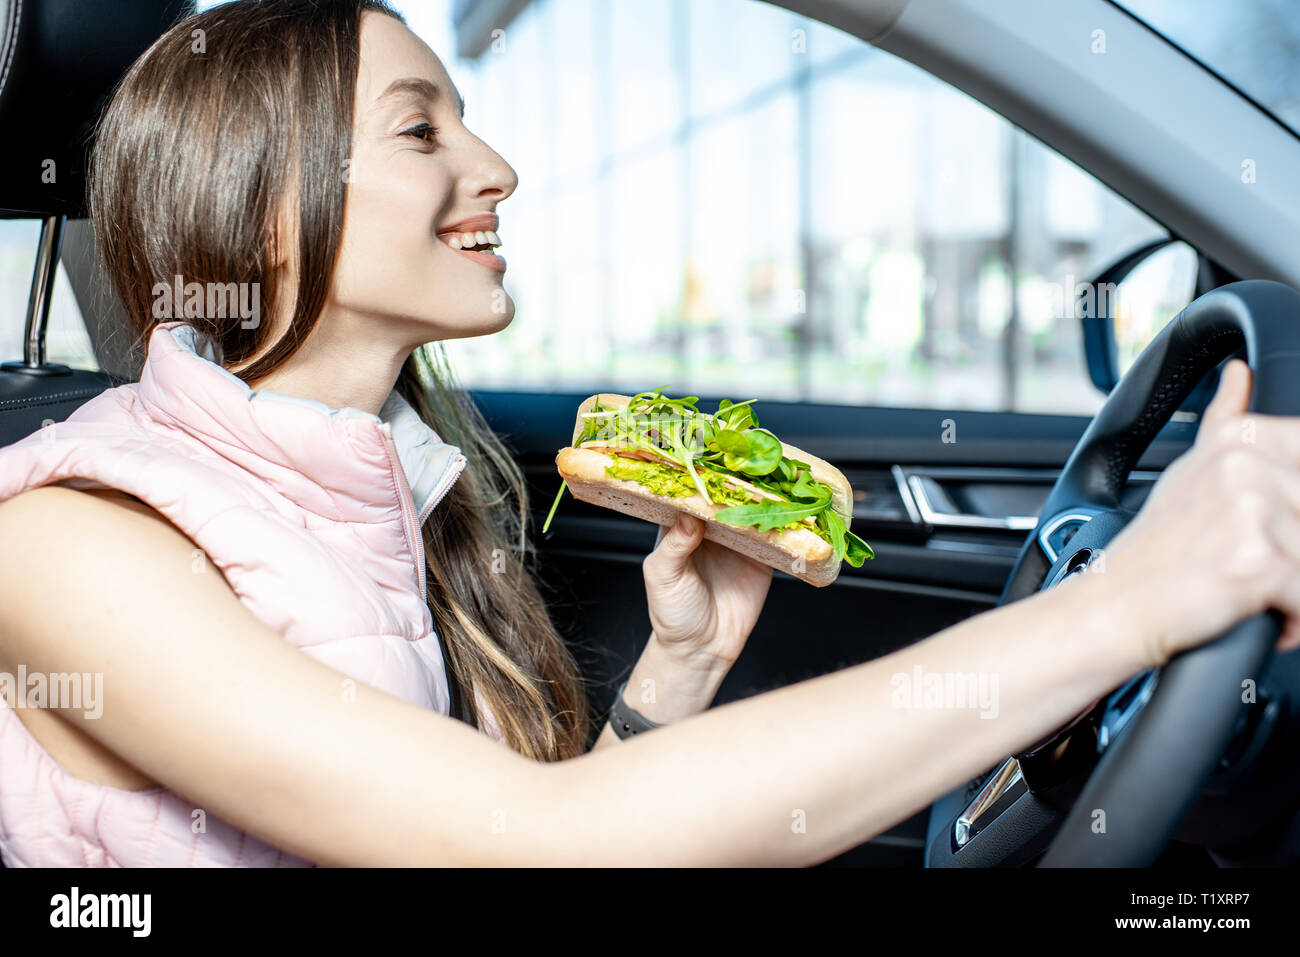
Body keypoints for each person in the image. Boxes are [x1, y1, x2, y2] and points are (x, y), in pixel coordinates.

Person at [0, 0, 1297, 867]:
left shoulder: (375, 489)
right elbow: (543, 844)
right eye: (421, 130)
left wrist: (676, 670)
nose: (496, 166)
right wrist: (1124, 607)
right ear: (262, 201)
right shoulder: (70, 544)